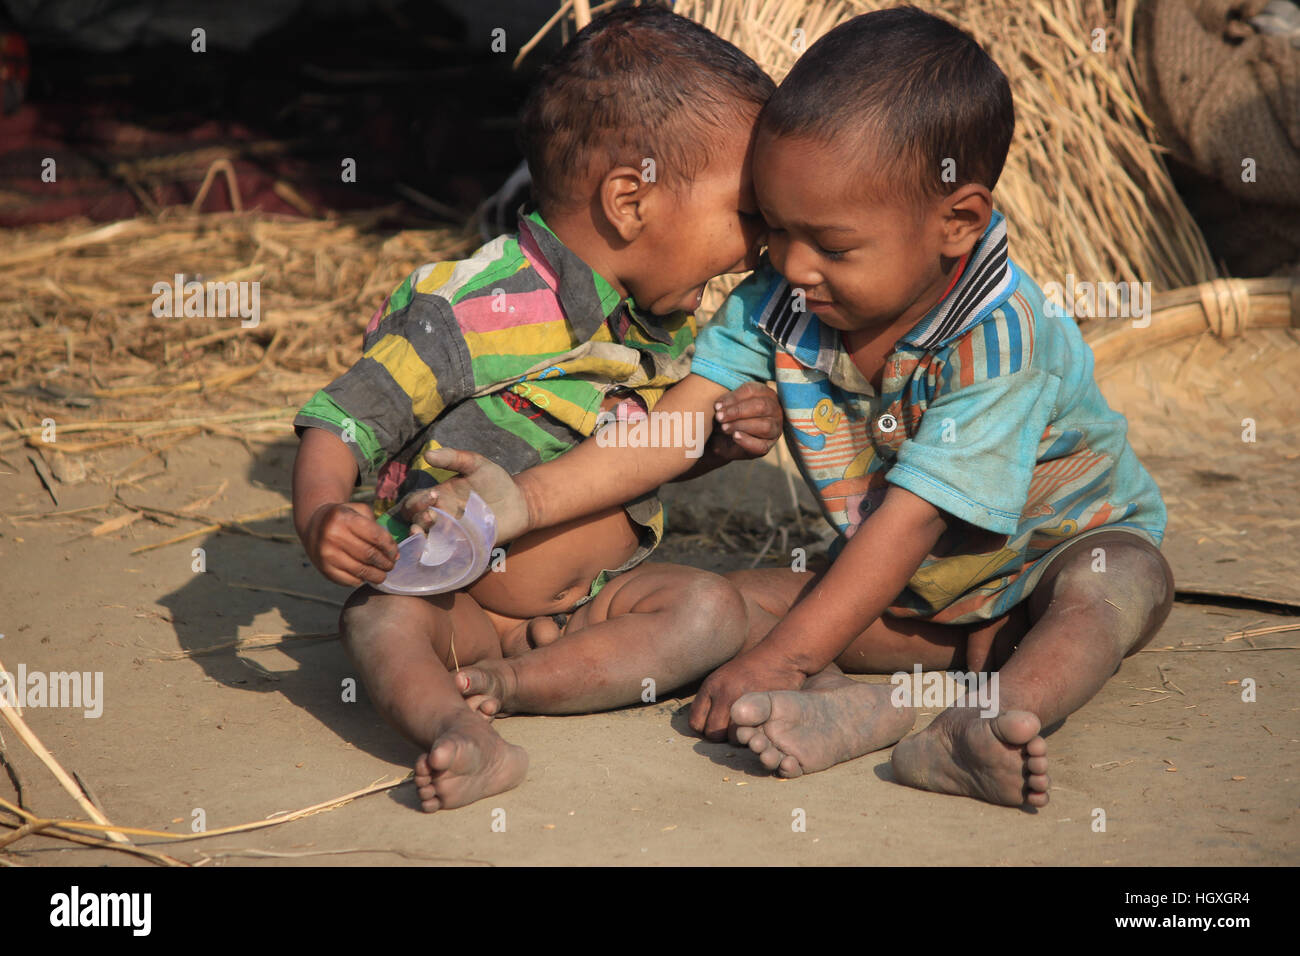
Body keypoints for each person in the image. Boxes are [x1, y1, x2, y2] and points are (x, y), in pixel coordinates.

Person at [429, 6, 1175, 809]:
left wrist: (782, 659)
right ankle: (867, 704)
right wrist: (528, 498)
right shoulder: (780, 301)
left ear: (957, 223)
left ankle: (989, 717)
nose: (790, 264)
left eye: (833, 245)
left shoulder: (999, 338)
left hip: (1049, 565)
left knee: (1118, 585)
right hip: (905, 602)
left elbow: (912, 519)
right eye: (775, 229)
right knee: (724, 605)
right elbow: (671, 429)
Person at [291, 6, 781, 812]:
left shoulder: (663, 327)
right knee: (379, 621)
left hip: (601, 602)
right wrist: (320, 513)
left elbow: (639, 454)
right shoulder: (468, 309)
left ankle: (513, 687)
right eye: (748, 213)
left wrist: (716, 446)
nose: (761, 246)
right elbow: (345, 417)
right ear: (631, 200)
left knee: (709, 608)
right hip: (464, 603)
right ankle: (460, 726)